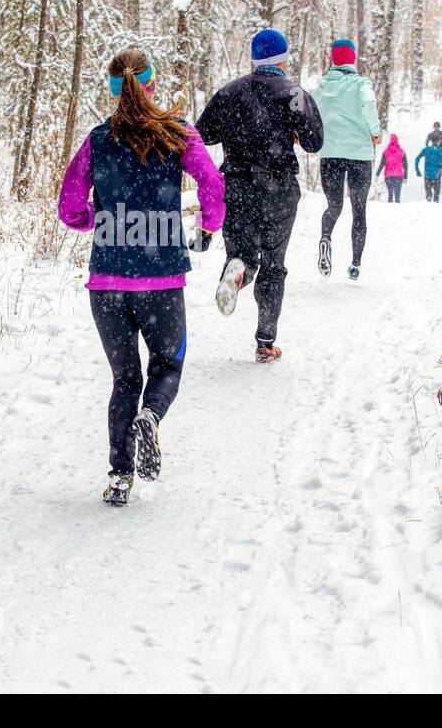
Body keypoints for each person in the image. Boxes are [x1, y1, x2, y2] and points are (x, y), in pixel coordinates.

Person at [58, 49, 226, 505]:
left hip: (108, 283)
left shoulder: (96, 141)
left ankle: (118, 476)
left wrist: (97, 215)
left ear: (112, 90)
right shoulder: (177, 133)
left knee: (124, 379)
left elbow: (68, 208)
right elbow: (212, 185)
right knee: (168, 365)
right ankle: (151, 418)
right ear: (152, 84)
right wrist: (209, 224)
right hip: (161, 278)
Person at [196, 28, 323, 363]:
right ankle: (265, 343)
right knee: (273, 264)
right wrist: (291, 132)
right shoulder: (294, 94)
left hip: (237, 186)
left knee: (244, 253)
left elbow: (201, 134)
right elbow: (315, 142)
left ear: (254, 59)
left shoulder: (229, 92)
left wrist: (236, 131)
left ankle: (236, 271)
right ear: (282, 58)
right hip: (279, 188)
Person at [314, 38, 380, 281]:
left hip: (330, 154)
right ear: (352, 59)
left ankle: (325, 238)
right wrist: (375, 130)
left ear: (333, 60)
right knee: (359, 210)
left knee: (334, 205)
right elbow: (369, 103)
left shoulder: (322, 87)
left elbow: (310, 108)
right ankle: (355, 265)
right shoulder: (361, 83)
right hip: (359, 155)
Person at [415, 135, 442, 202]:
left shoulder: (426, 150)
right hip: (437, 176)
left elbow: (417, 159)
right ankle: (435, 207)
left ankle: (428, 203)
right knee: (436, 195)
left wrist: (417, 170)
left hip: (427, 175)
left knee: (428, 194)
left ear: (431, 141)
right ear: (439, 141)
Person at [376, 133, 408, 203]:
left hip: (388, 176)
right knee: (397, 195)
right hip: (398, 176)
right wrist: (405, 177)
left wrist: (377, 174)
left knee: (390, 194)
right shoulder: (402, 152)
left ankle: (390, 209)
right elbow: (405, 166)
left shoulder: (386, 152)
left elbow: (382, 164)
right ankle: (397, 209)